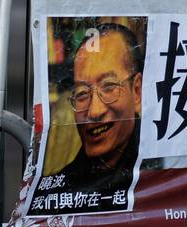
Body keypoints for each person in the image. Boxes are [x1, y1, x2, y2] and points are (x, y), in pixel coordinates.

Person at [44, 22, 142, 213]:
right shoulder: (59, 192)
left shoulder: (160, 172)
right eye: (81, 94)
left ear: (137, 91)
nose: (94, 111)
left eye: (109, 87)